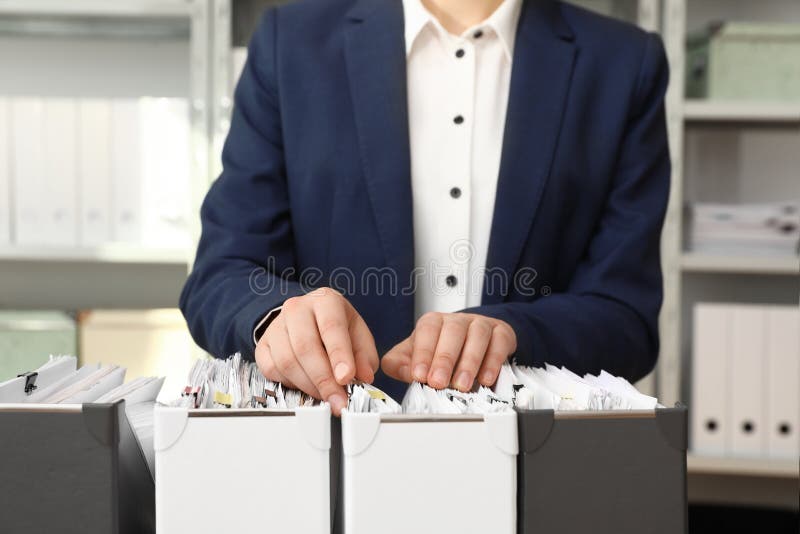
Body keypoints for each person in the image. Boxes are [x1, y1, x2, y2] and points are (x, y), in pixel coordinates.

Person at [180, 0, 671, 414]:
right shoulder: (291, 45)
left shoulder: (624, 64)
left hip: (534, 466)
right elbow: (222, 271)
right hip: (332, 456)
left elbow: (625, 316)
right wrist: (279, 316)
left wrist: (514, 332)